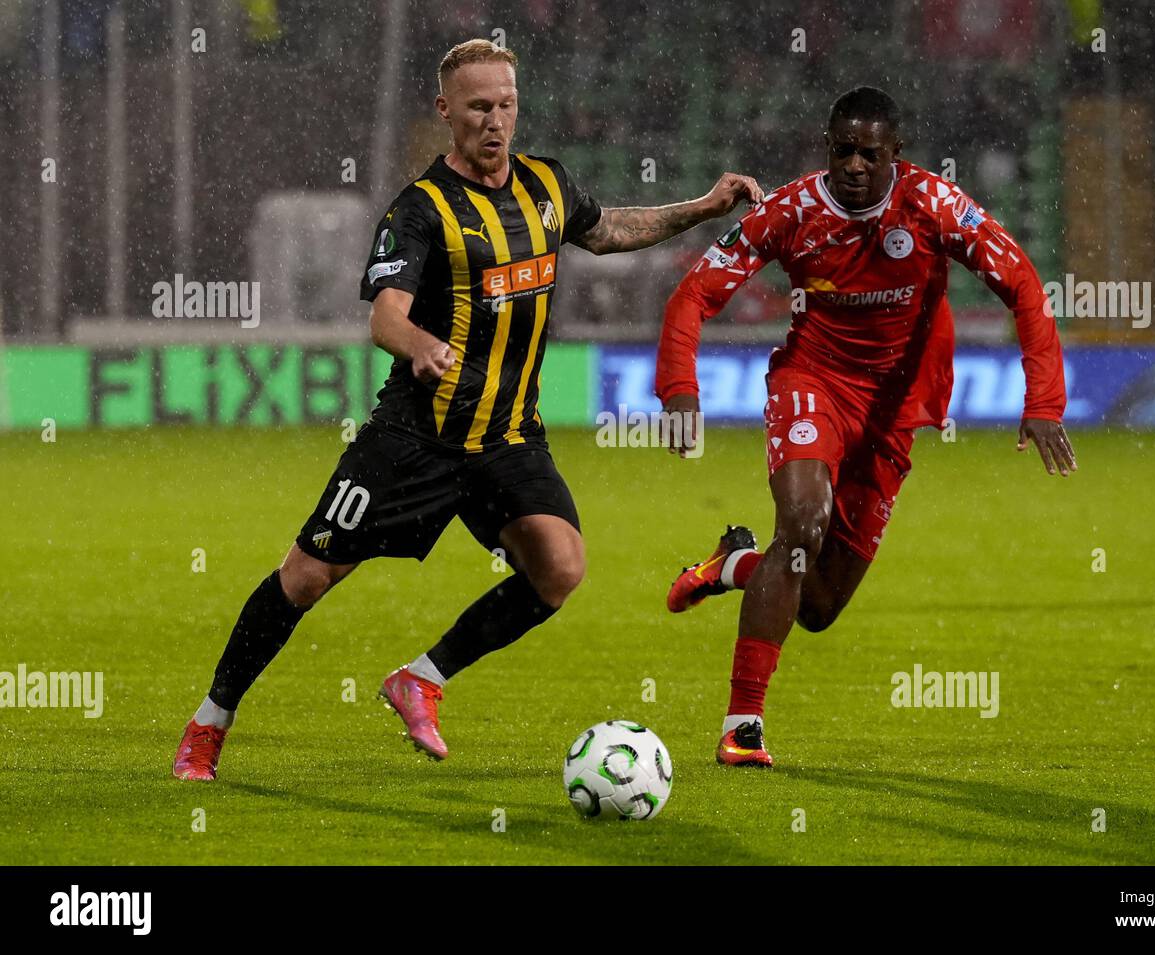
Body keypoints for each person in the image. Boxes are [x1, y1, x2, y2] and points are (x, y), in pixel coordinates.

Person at [173, 38, 761, 780]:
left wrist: (702, 207)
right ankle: (209, 723)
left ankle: (421, 677)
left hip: (508, 437)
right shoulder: (420, 210)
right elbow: (383, 315)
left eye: (507, 104)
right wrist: (418, 342)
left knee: (559, 566)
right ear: (446, 110)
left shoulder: (546, 185)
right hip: (414, 438)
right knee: (306, 577)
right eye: (479, 106)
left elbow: (607, 229)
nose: (496, 120)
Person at [655, 86, 1075, 768]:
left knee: (816, 603)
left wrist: (1044, 403)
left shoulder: (935, 206)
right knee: (802, 523)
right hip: (812, 384)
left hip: (895, 414)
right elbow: (695, 291)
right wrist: (679, 388)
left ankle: (730, 563)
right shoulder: (790, 212)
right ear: (828, 149)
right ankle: (743, 725)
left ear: (895, 156)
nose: (853, 164)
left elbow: (1023, 283)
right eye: (842, 150)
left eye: (869, 154)